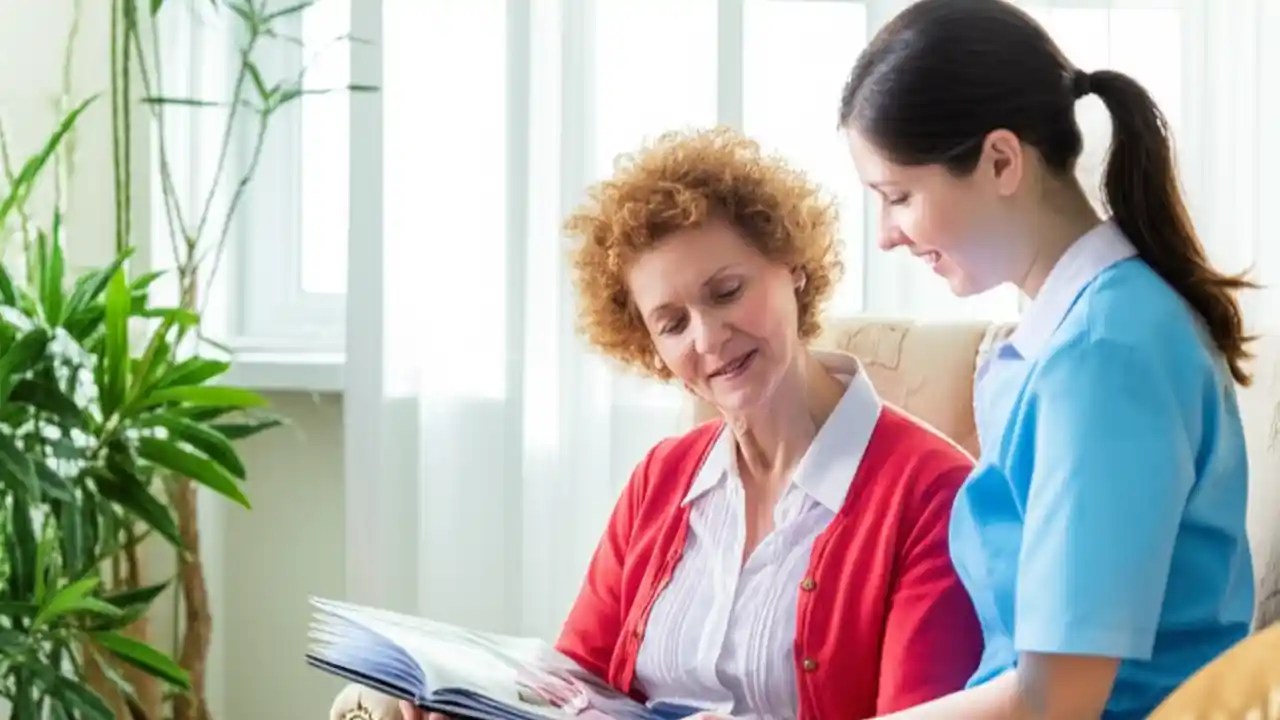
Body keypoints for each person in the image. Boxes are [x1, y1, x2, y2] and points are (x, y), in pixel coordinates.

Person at [401, 125, 984, 720]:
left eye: (727, 292)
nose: (709, 339)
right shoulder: (662, 477)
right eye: (673, 324)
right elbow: (579, 684)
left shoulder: (934, 493)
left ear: (793, 266)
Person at [837, 1, 1256, 718]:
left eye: (898, 196)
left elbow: (1055, 701)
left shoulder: (1105, 354)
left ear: (1001, 160)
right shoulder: (1082, 331)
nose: (887, 236)